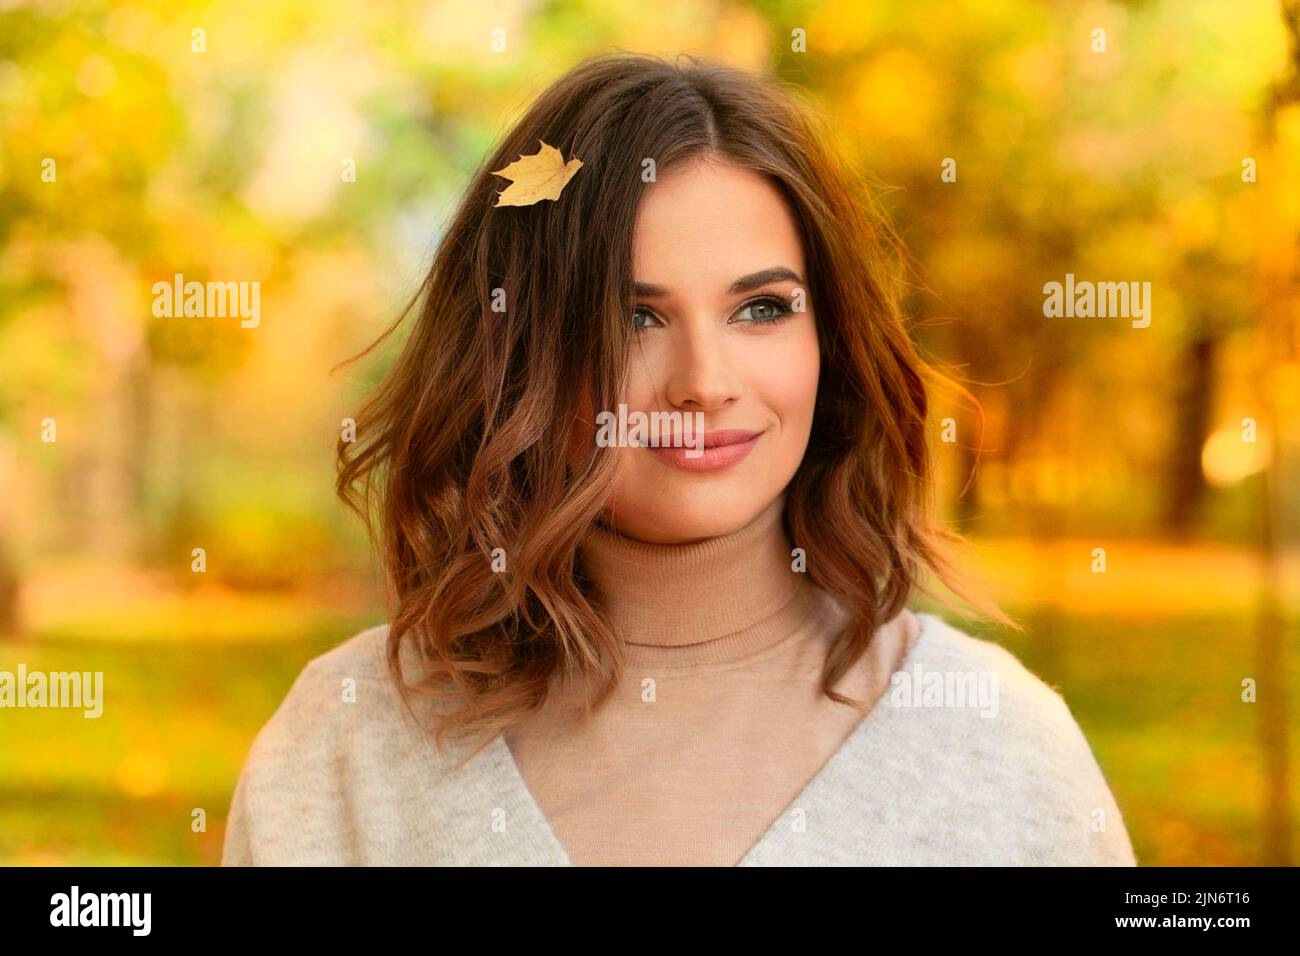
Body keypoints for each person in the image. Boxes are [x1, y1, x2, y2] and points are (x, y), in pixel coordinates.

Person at [222, 52, 1137, 866]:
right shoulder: (350, 742)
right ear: (519, 354)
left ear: (833, 340)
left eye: (762, 308)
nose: (704, 382)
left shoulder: (1002, 746)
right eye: (634, 317)